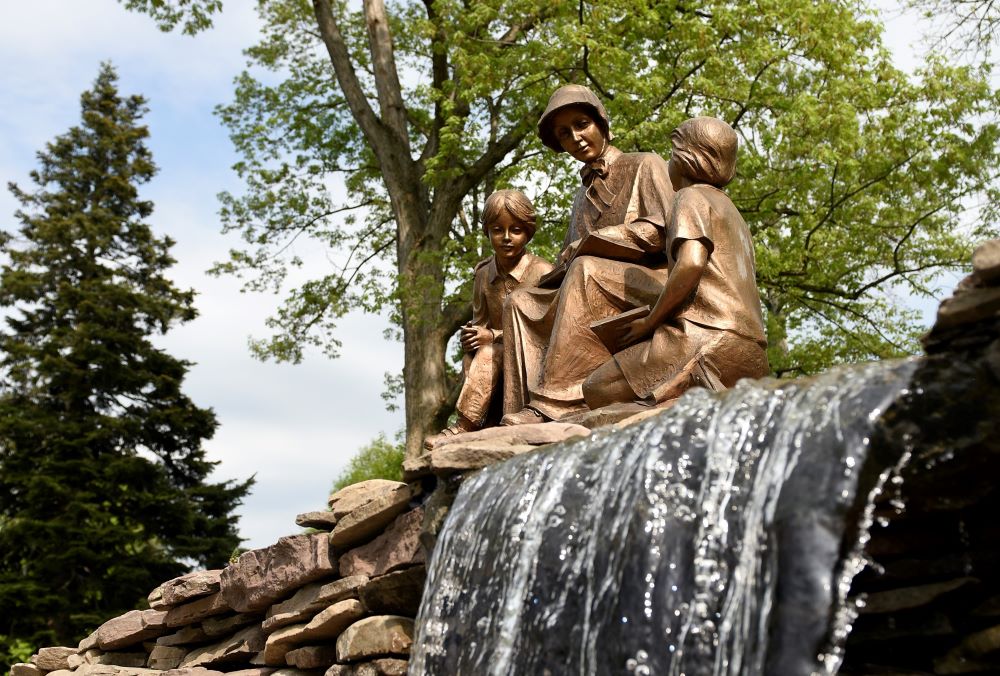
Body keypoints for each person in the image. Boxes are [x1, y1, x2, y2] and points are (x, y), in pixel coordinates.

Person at [500, 84, 676, 424]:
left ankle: (557, 404)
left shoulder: (645, 164)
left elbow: (665, 232)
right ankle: (519, 411)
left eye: (582, 124)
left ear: (602, 122)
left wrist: (598, 241)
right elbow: (569, 258)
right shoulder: (581, 198)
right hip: (594, 283)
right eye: (565, 134)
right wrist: (559, 264)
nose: (576, 137)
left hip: (652, 284)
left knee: (585, 269)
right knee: (520, 302)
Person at [582, 117, 769, 408]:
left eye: (672, 155)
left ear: (686, 159)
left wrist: (649, 322)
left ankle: (688, 384)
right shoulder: (734, 214)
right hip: (753, 351)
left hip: (705, 338)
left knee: (597, 388)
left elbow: (691, 263)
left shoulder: (690, 197)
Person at [426, 189, 553, 443]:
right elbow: (479, 322)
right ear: (488, 232)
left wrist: (492, 337)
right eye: (497, 230)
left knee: (490, 352)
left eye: (516, 230)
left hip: (533, 356)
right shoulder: (484, 275)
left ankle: (464, 425)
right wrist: (471, 338)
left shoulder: (543, 273)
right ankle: (484, 419)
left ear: (528, 232)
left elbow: (545, 332)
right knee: (479, 354)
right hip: (493, 354)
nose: (506, 238)